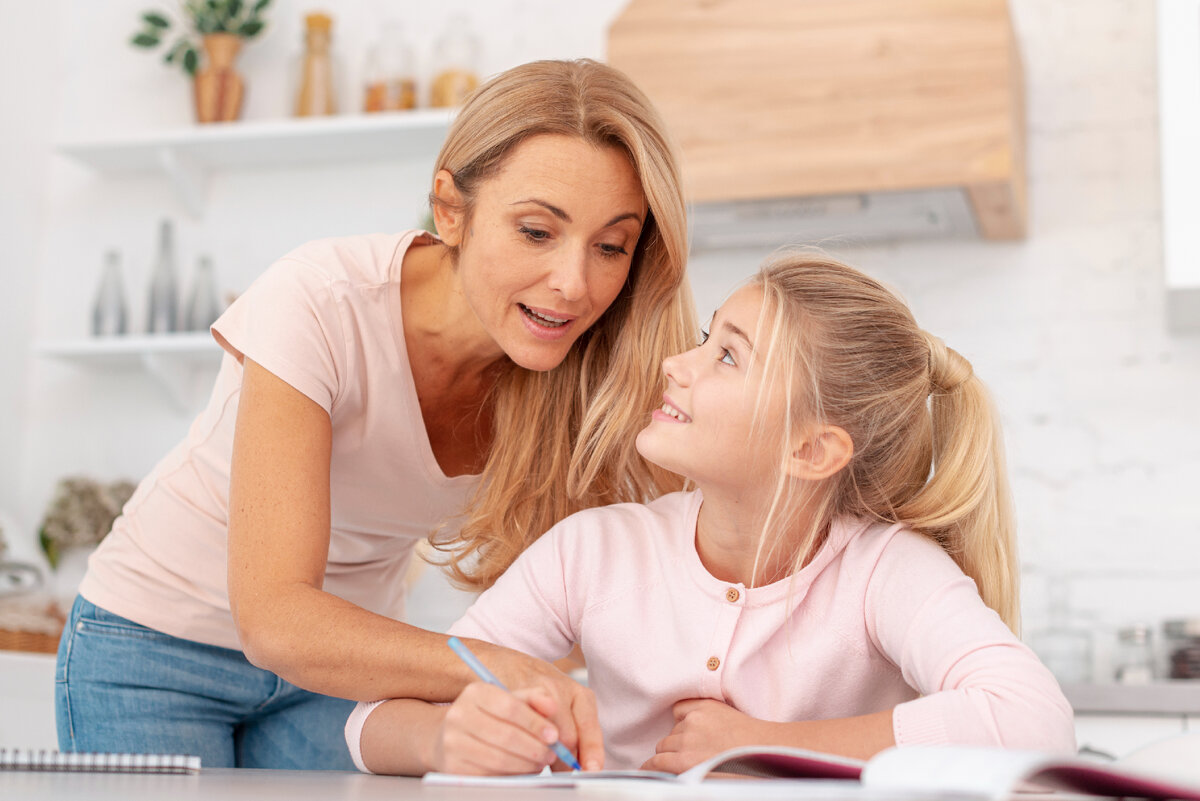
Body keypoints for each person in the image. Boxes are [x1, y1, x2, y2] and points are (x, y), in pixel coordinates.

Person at [54, 58, 697, 770]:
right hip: (151, 643)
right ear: (450, 209)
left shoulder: (591, 375)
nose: (574, 283)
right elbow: (275, 617)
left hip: (342, 671)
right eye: (537, 232)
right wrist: (491, 664)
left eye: (611, 246)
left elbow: (673, 562)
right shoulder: (321, 302)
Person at [345, 254, 1078, 776]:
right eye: (706, 337)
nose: (677, 364)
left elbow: (1035, 720)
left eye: (728, 356)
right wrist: (446, 737)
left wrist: (763, 745)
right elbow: (369, 722)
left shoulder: (886, 569)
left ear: (812, 448)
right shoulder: (595, 552)